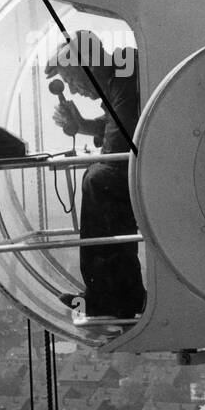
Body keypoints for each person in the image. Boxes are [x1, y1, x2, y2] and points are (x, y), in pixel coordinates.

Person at [45, 31, 145, 321]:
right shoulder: (123, 75)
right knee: (100, 177)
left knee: (100, 180)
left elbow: (119, 144)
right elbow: (123, 122)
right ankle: (115, 296)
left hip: (156, 167)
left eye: (74, 79)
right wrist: (83, 126)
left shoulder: (125, 75)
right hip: (157, 163)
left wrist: (84, 129)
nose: (74, 91)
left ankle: (112, 298)